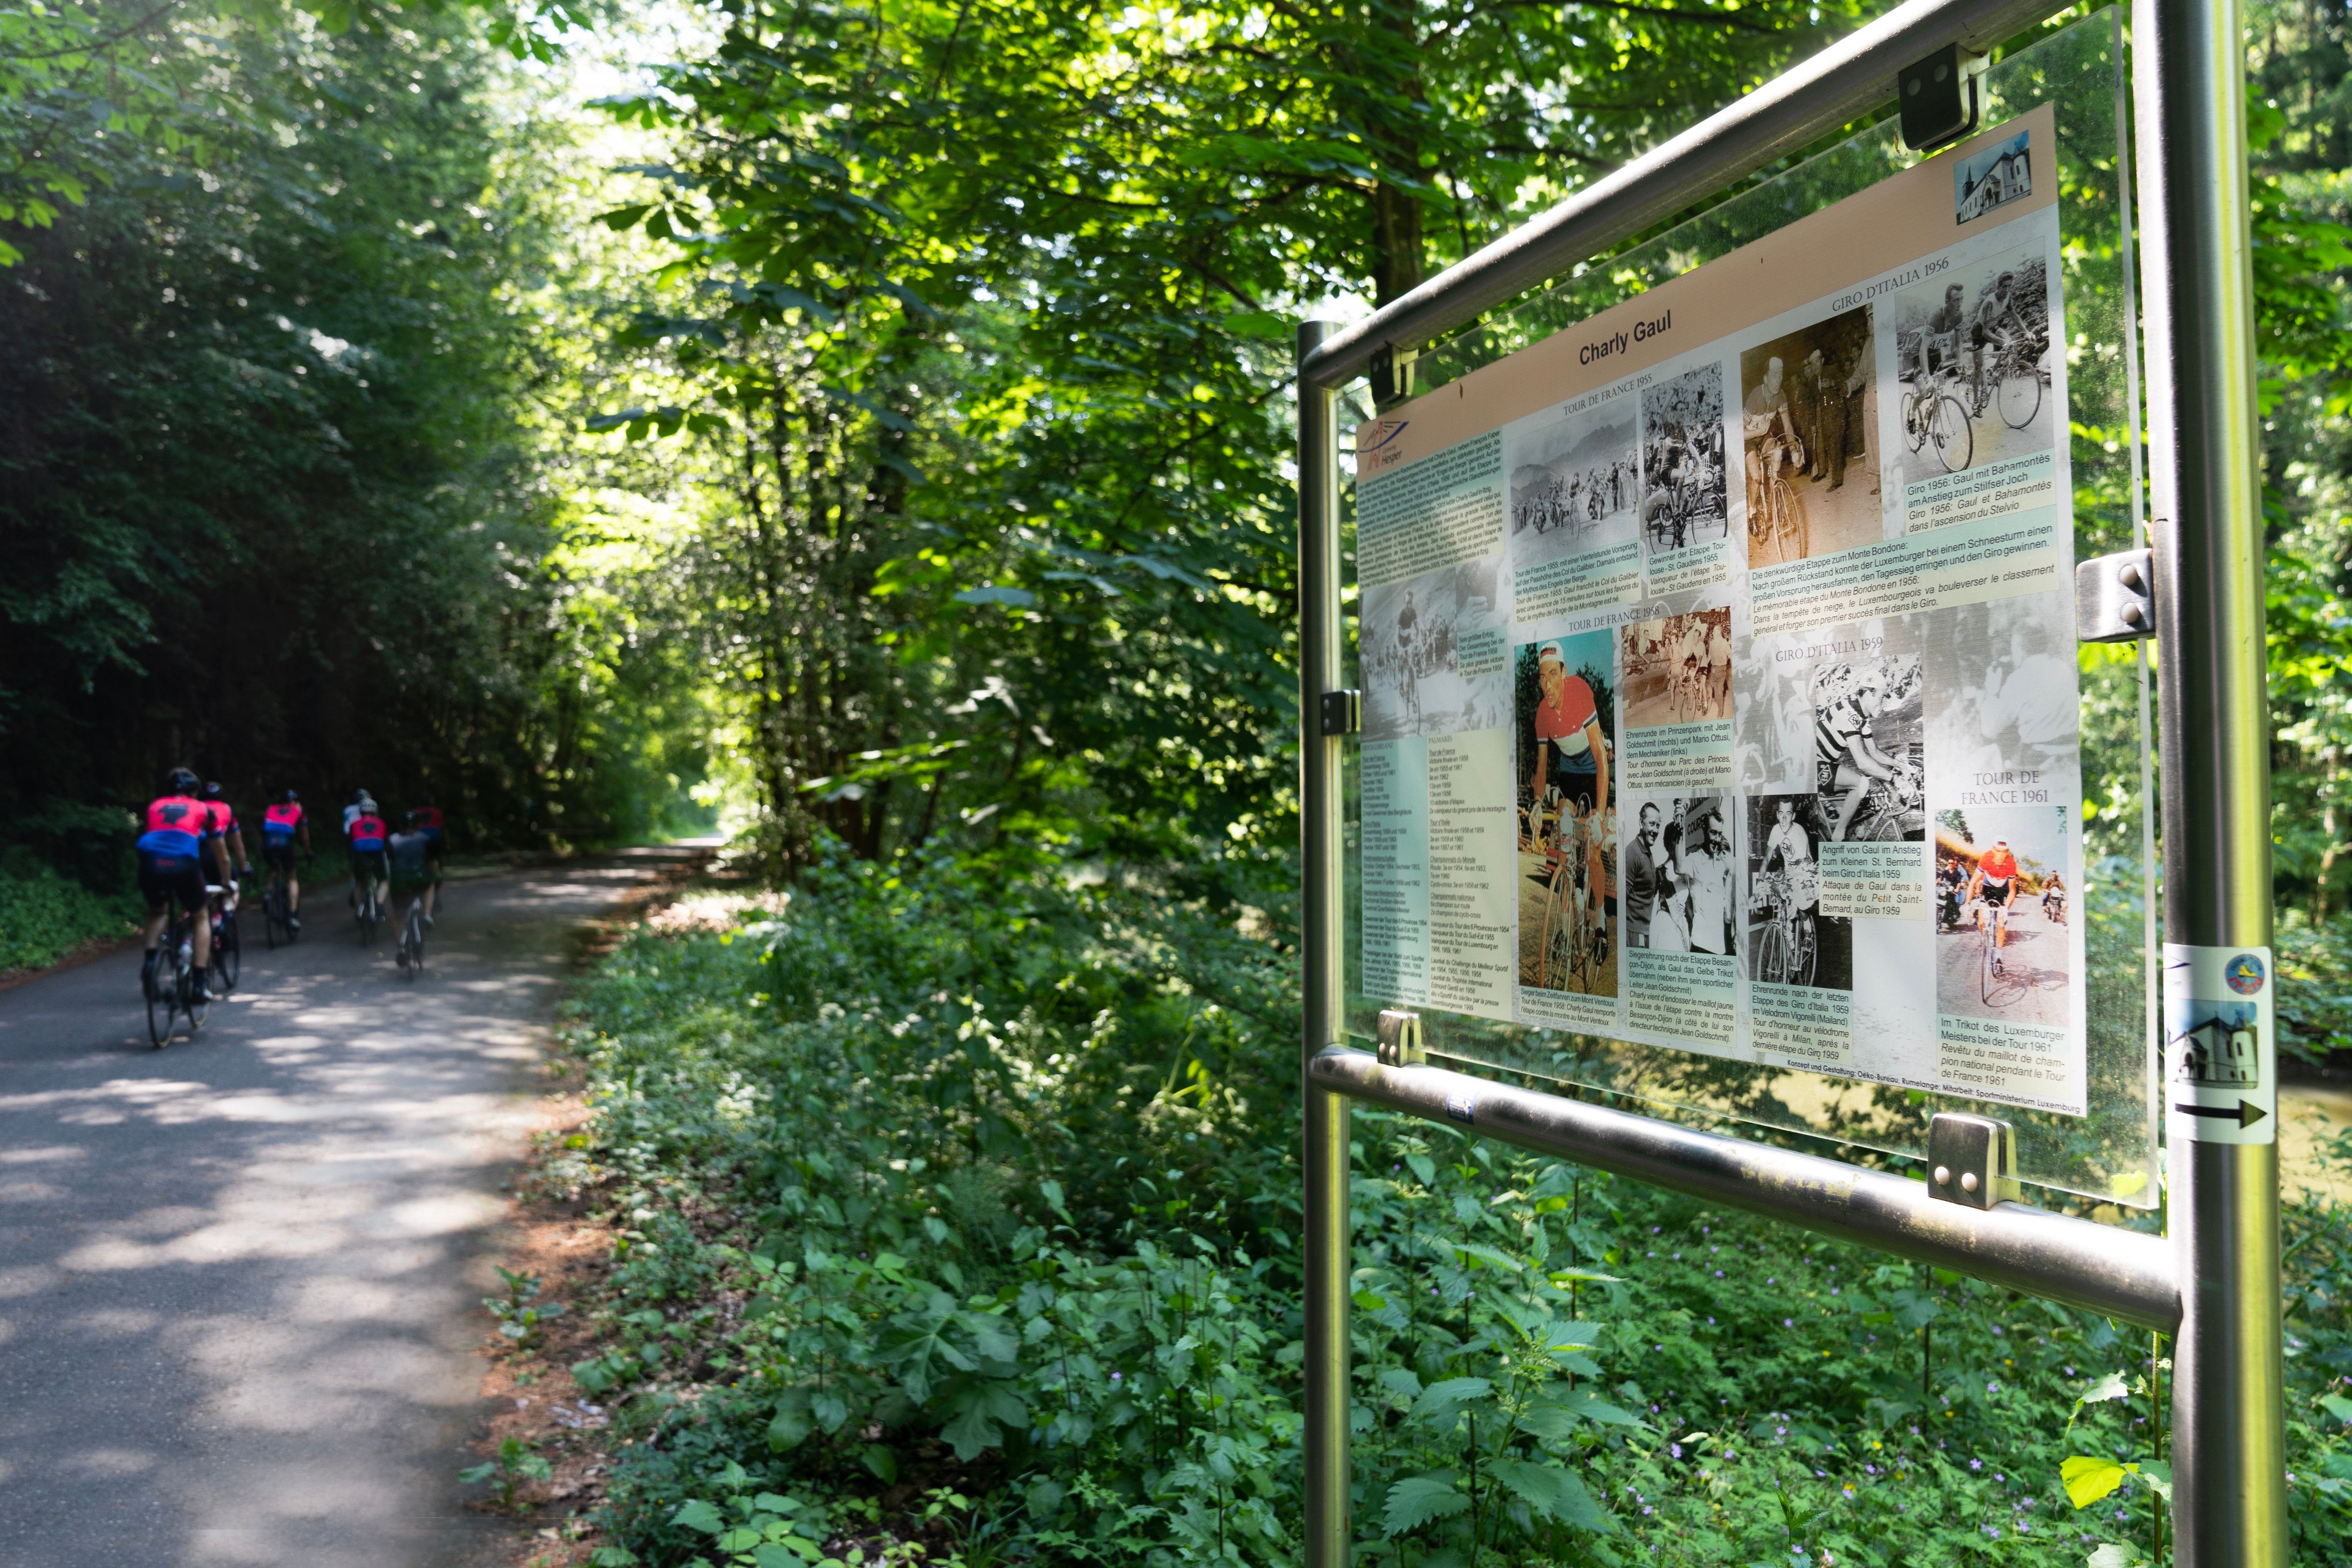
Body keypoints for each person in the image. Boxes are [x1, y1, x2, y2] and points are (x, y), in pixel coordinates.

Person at [1528, 642, 1611, 959]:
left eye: (1553, 674)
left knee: (1593, 851)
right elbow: (1541, 767)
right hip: (1568, 776)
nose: (1547, 684)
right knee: (1564, 844)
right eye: (1542, 677)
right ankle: (1564, 925)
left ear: (1564, 672)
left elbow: (1601, 757)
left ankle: (1600, 922)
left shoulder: (1580, 692)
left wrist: (1600, 817)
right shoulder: (1542, 715)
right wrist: (1537, 802)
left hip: (1592, 768)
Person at [137, 768, 218, 1001]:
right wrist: (225, 879)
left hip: (151, 863)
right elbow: (220, 853)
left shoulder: (154, 806)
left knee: (158, 910)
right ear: (195, 792)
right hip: (184, 862)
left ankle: (151, 961)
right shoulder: (204, 808)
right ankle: (199, 984)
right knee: (201, 915)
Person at [1815, 668, 1909, 842]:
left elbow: (1874, 752)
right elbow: (1862, 762)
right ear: (1867, 694)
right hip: (1813, 768)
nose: (1884, 705)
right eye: (1881, 698)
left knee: (1853, 817)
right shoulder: (1848, 714)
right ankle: (1838, 839)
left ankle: (1840, 834)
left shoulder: (1861, 718)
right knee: (1861, 784)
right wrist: (1894, 778)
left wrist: (1899, 765)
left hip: (1824, 765)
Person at [1743, 356, 1800, 525]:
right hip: (1749, 440)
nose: (1778, 380)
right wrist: (1758, 431)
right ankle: (1752, 510)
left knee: (1778, 452)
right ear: (1766, 379)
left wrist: (1794, 451)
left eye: (1781, 375)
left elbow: (1788, 425)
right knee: (1756, 478)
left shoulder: (1781, 396)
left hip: (1765, 438)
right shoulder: (1755, 396)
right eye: (1774, 375)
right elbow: (1739, 433)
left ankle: (1777, 499)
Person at [1760, 797, 1818, 964]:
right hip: (1789, 871)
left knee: (1799, 907)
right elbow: (1766, 859)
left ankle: (1808, 932)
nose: (1785, 819)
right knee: (1783, 909)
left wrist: (1792, 897)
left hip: (1805, 872)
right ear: (1778, 815)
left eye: (1788, 814)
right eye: (1781, 814)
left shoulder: (1799, 833)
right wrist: (1760, 882)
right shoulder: (1776, 830)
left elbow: (1800, 869)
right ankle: (1791, 952)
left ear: (1793, 816)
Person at [1968, 838, 2023, 971]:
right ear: (1993, 850)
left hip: (2002, 890)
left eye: (2003, 852)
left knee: (2001, 923)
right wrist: (1967, 904)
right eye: (1997, 851)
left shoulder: (2011, 863)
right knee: (1981, 922)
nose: (2000, 855)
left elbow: (2012, 890)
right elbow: (1973, 882)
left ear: (2007, 853)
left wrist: (2005, 909)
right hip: (1988, 888)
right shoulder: (1986, 858)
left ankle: (1998, 957)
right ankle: (1984, 937)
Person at [1685, 811, 1735, 957]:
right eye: (1713, 833)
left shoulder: (1722, 862)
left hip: (1721, 948)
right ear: (1704, 830)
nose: (1717, 839)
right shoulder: (1694, 859)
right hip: (1701, 945)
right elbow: (1679, 868)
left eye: (1720, 834)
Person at [262, 789, 309, 930]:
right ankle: (293, 915)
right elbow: (305, 836)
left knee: (273, 869)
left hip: (268, 844)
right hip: (285, 844)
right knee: (292, 878)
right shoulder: (298, 811)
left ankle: (268, 894)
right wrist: (308, 851)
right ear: (295, 802)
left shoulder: (271, 808)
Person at [389, 814, 440, 930]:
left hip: (399, 879)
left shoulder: (392, 839)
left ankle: (401, 945)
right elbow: (432, 858)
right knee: (430, 885)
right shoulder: (425, 838)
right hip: (420, 876)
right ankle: (427, 914)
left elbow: (390, 859)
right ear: (418, 825)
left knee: (399, 914)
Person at [200, 781, 249, 902]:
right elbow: (238, 845)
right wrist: (243, 868)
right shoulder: (227, 809)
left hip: (192, 851)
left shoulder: (197, 806)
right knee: (233, 883)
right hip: (215, 852)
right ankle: (225, 914)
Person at [1622, 802, 1662, 949]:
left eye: (1658, 825)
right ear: (1641, 823)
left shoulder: (1646, 850)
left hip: (1644, 932)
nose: (1655, 830)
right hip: (1633, 933)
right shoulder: (1633, 852)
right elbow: (1623, 897)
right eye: (1652, 824)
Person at [346, 794, 390, 917]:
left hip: (359, 855)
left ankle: (359, 907)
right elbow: (386, 842)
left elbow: (350, 842)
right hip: (377, 855)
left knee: (359, 881)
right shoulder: (381, 823)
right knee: (384, 880)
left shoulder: (354, 824)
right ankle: (380, 903)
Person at [409, 802, 446, 922]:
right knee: (434, 872)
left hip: (415, 852)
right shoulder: (436, 812)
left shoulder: (416, 813)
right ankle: (428, 909)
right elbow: (441, 827)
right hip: (433, 845)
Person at [1923, 283, 1966, 383]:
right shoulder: (1935, 318)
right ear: (1947, 302)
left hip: (1935, 351)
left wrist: (1960, 361)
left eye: (1962, 299)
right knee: (1924, 391)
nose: (1960, 304)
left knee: (1940, 386)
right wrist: (1926, 375)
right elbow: (1923, 349)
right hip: (1920, 353)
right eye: (1956, 300)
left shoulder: (1959, 316)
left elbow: (1958, 343)